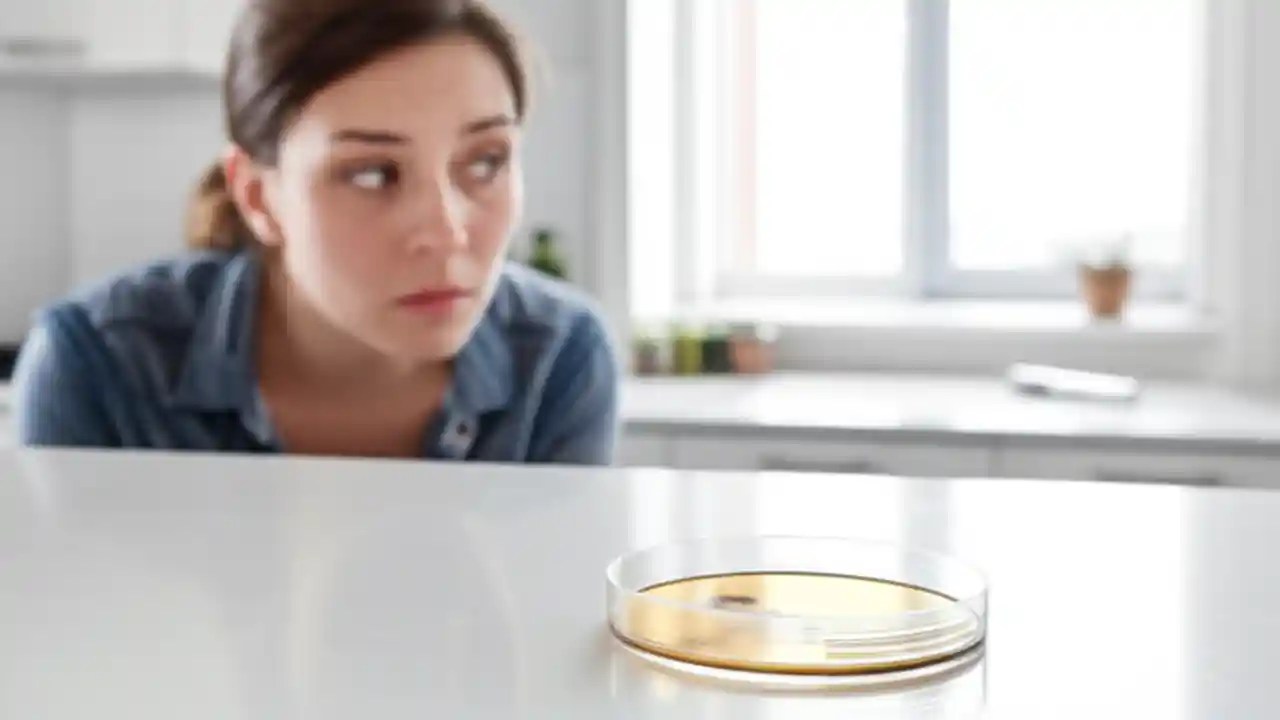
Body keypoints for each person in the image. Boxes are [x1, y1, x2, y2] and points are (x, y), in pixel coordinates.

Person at [12, 0, 619, 464]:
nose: (446, 232)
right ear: (258, 196)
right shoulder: (96, 365)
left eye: (486, 162)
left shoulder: (559, 360)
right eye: (373, 174)